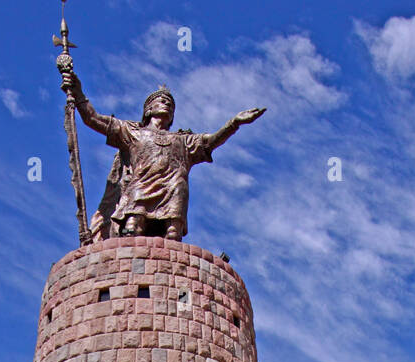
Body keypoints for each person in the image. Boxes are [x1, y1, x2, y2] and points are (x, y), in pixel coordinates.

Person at [58, 68, 265, 241]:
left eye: (170, 104)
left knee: (173, 234)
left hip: (174, 189)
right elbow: (93, 119)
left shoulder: (184, 140)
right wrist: (78, 93)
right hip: (140, 188)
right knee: (133, 229)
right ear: (148, 109)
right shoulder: (132, 131)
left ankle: (173, 269)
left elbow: (211, 141)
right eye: (162, 100)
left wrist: (234, 123)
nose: (166, 104)